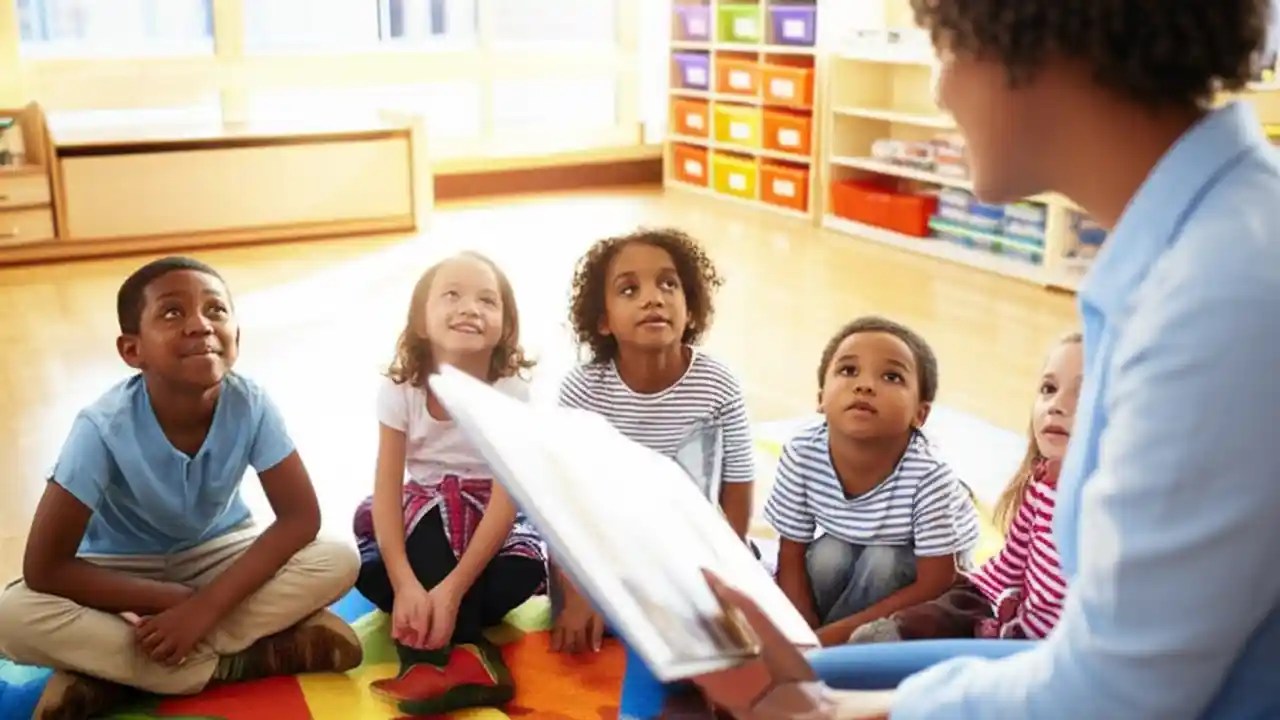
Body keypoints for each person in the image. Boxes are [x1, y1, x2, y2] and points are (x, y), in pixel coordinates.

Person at [687, 0, 1280, 717]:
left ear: (1039, 40)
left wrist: (836, 712)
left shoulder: (1218, 298)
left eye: (945, 47)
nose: (940, 89)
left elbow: (1120, 694)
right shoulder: (1211, 236)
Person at [0, 256, 363, 720]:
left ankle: (121, 674)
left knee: (338, 556)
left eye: (216, 311)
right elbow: (45, 567)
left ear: (237, 338)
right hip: (121, 568)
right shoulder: (101, 427)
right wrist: (172, 602)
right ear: (133, 351)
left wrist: (204, 609)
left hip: (219, 553)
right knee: (11, 616)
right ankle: (241, 658)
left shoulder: (250, 402)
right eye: (172, 313)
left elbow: (300, 518)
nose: (199, 324)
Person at [351, 251, 546, 716]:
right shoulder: (402, 392)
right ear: (421, 320)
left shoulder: (511, 394)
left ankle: (431, 655)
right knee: (376, 568)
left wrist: (451, 590)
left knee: (524, 571)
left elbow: (505, 503)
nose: (470, 308)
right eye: (452, 295)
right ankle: (464, 651)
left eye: (487, 300)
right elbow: (386, 490)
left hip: (488, 529)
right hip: (420, 515)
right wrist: (405, 586)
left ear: (505, 324)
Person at [550, 227, 756, 655]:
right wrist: (577, 595)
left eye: (668, 284)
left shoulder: (719, 386)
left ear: (691, 309)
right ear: (603, 320)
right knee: (587, 628)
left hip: (688, 547)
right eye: (629, 289)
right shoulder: (581, 390)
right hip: (604, 548)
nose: (653, 298)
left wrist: (724, 580)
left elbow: (737, 492)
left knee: (732, 632)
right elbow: (564, 505)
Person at [850, 332, 1081, 644]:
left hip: (1050, 655)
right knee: (944, 599)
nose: (1056, 406)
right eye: (1048, 389)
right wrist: (956, 589)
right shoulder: (1042, 484)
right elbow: (1008, 568)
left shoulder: (1116, 513)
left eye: (1083, 395)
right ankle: (894, 633)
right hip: (1012, 623)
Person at [763, 317, 980, 647]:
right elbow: (790, 555)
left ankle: (837, 654)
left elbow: (937, 582)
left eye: (891, 376)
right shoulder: (801, 453)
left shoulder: (929, 474)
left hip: (927, 567)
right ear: (821, 398)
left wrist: (827, 640)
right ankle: (820, 651)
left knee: (883, 561)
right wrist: (800, 633)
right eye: (848, 371)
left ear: (920, 415)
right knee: (827, 556)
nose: (865, 386)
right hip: (849, 540)